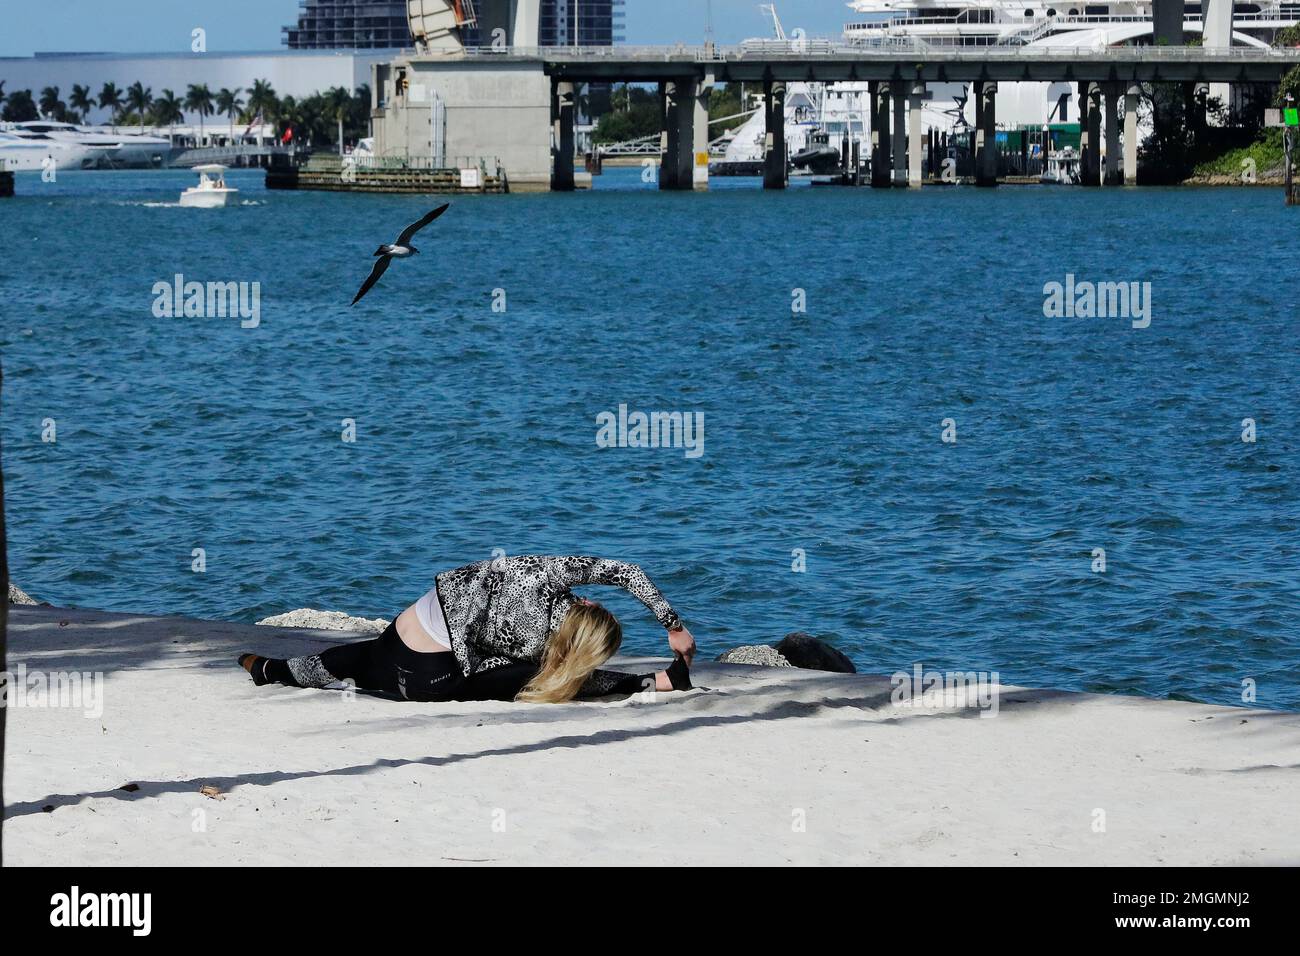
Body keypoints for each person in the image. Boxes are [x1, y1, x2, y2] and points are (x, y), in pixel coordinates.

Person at [238, 555, 696, 703]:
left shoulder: (540, 573)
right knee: (534, 679)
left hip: (395, 643)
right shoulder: (541, 648)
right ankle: (655, 682)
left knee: (352, 660)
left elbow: (624, 570)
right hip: (425, 684)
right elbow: (570, 676)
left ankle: (271, 670)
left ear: (588, 604)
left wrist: (672, 625)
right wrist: (656, 678)